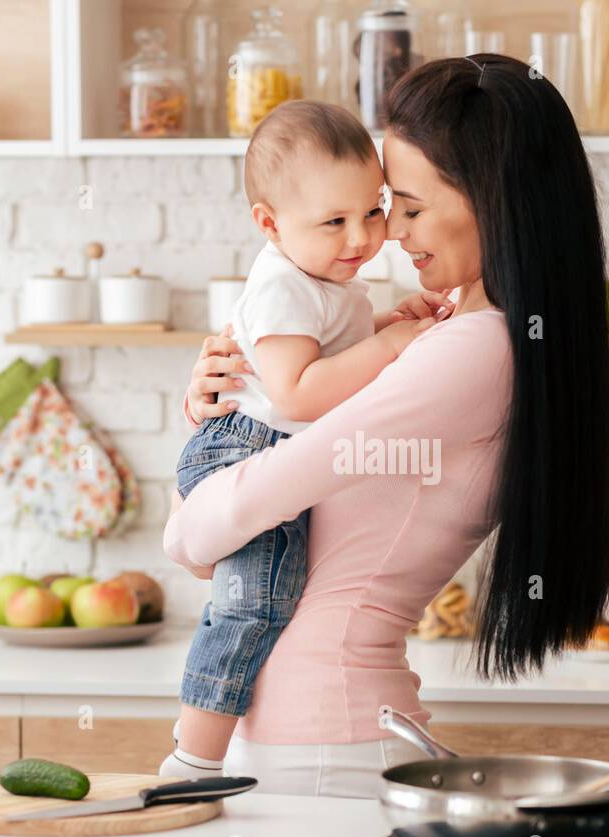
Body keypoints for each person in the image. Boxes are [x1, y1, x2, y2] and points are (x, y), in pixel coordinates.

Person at [164, 55, 609, 797]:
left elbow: (203, 534)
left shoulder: (471, 352)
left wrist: (198, 495)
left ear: (492, 200)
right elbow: (233, 528)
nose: (389, 236)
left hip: (322, 741)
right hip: (315, 734)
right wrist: (228, 410)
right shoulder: (454, 335)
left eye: (406, 208)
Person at [160, 100, 448, 780]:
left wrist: (386, 323)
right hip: (248, 444)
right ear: (269, 223)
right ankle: (192, 758)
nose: (362, 237)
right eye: (334, 222)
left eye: (374, 211)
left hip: (262, 445)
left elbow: (330, 352)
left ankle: (199, 749)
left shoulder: (322, 276)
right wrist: (391, 344)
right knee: (250, 608)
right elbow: (297, 393)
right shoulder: (285, 287)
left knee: (254, 601)